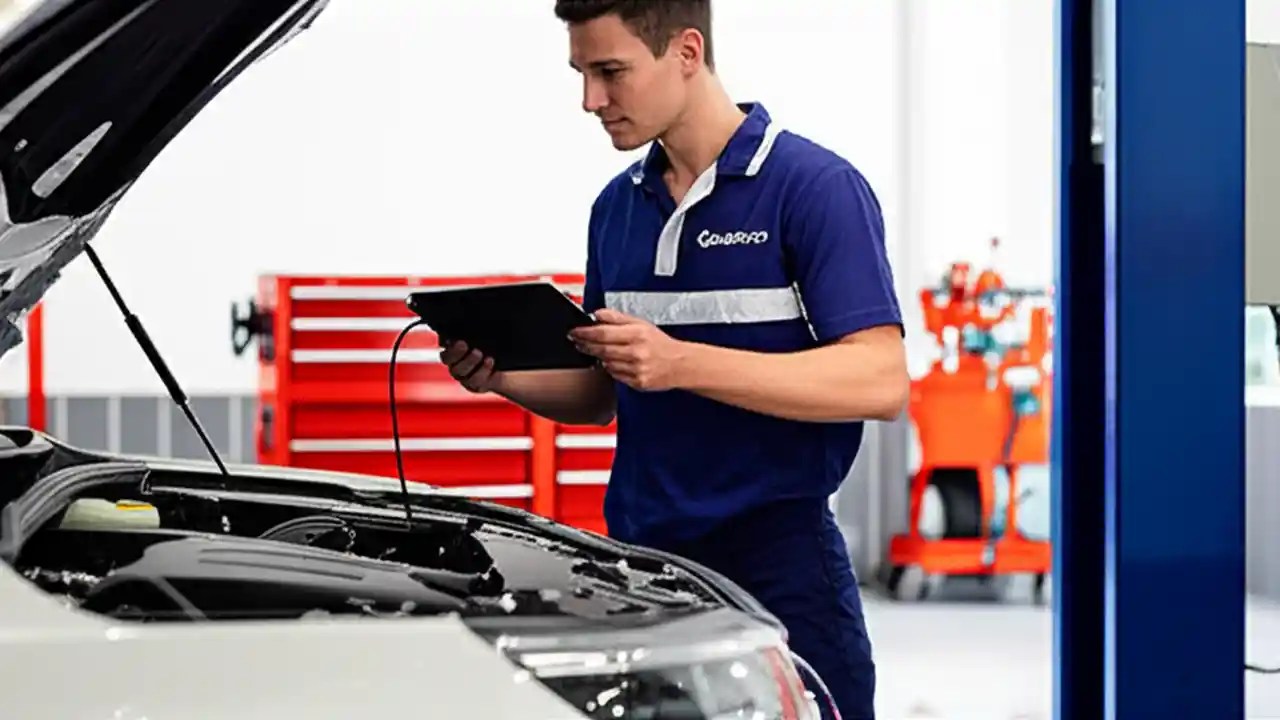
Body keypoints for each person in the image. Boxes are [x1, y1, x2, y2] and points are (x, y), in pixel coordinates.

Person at [439, 2, 908, 718]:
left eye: (610, 72)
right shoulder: (616, 209)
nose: (591, 99)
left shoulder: (813, 188)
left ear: (687, 52)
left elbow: (879, 379)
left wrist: (680, 363)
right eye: (582, 74)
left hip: (781, 569)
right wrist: (501, 376)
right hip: (643, 565)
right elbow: (600, 395)